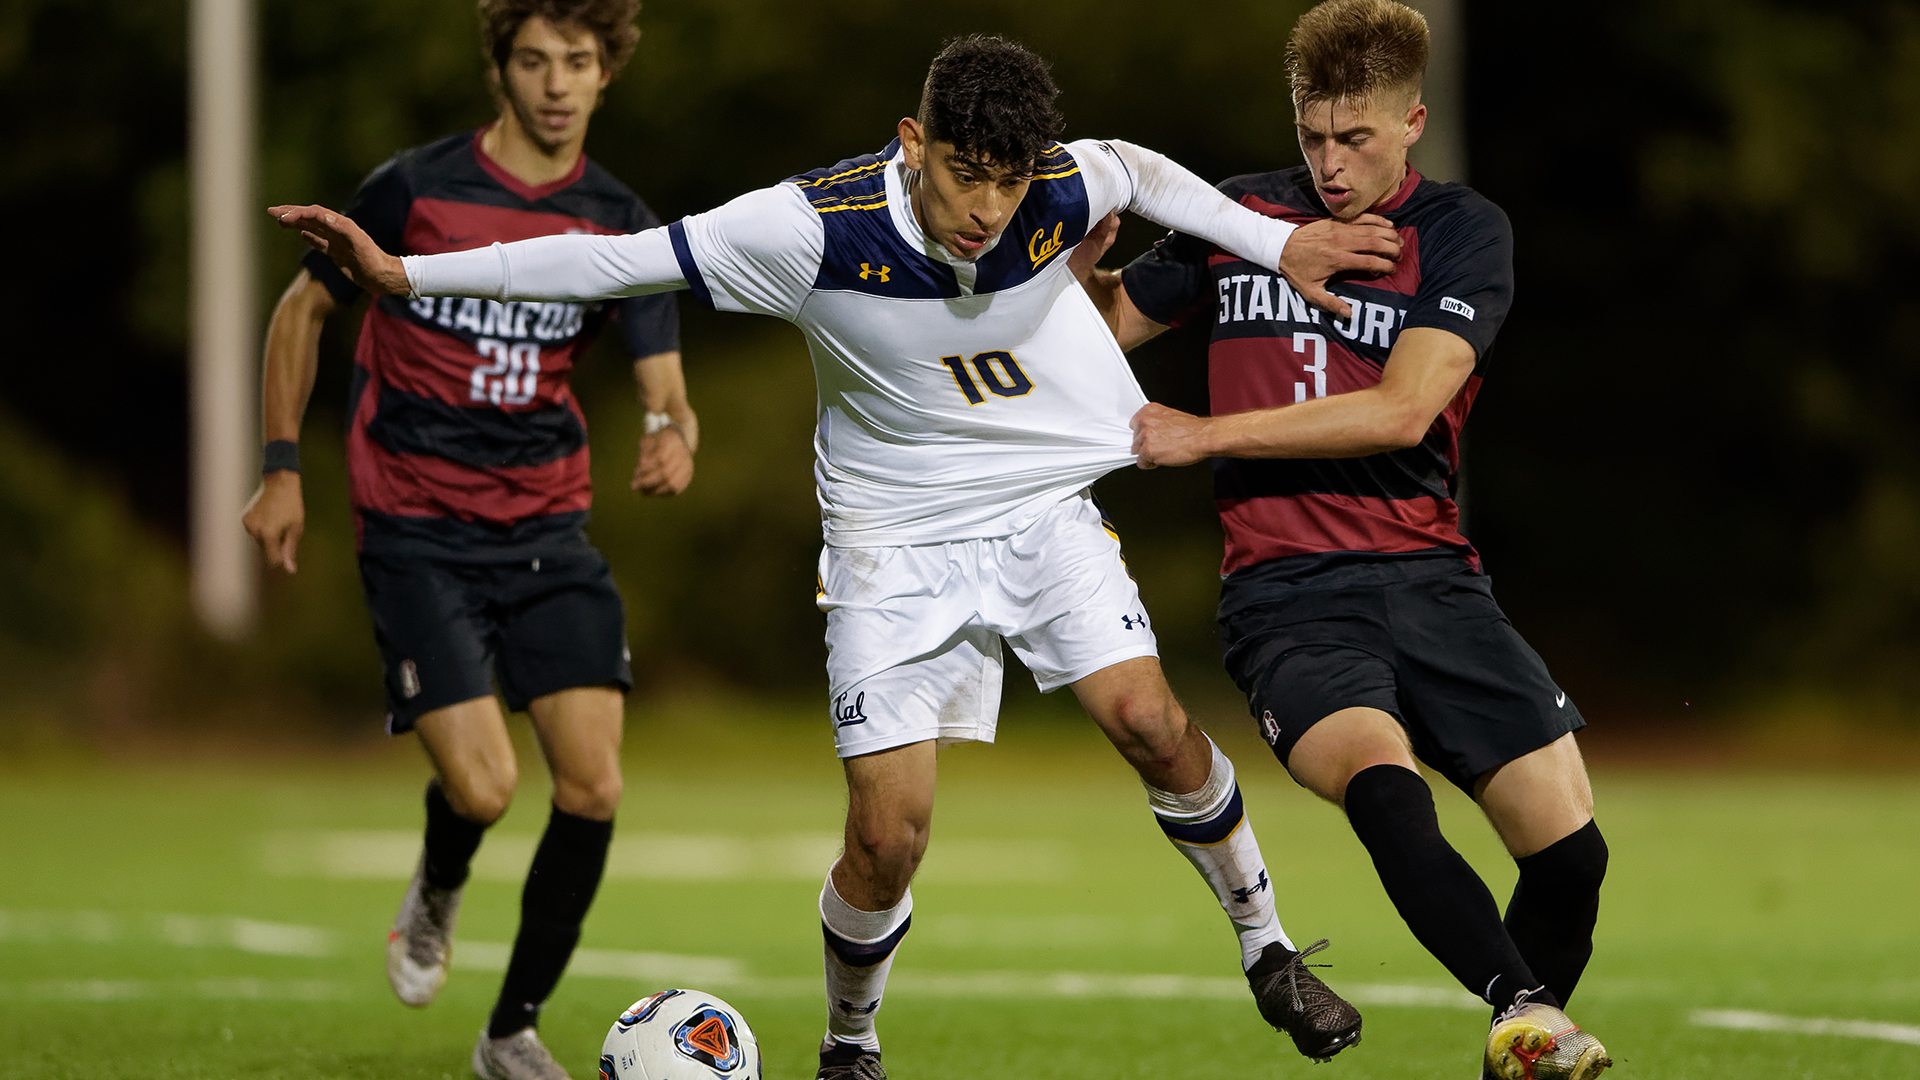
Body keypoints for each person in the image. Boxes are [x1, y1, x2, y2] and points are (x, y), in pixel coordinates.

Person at [272, 33, 1405, 1079]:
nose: (988, 208)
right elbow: (611, 263)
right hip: (890, 545)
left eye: (1010, 181)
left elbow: (1143, 171)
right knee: (886, 835)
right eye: (965, 173)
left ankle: (1266, 952)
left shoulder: (1053, 184)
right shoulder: (807, 229)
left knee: (1152, 724)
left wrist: (1271, 240)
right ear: (913, 144)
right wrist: (406, 278)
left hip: (1036, 511)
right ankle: (848, 1044)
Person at [1069, 2, 1612, 1078]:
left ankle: (1524, 1034)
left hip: (1431, 576)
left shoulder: (1461, 233)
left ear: (1412, 122)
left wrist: (1208, 433)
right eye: (1312, 136)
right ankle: (1523, 1016)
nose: (1327, 164)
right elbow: (1094, 339)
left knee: (1572, 857)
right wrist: (1079, 276)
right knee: (1384, 785)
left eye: (1354, 138)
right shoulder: (1244, 214)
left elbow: (1406, 409)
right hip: (1289, 593)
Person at [240, 3, 695, 1078]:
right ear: (500, 70)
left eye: (576, 63)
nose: (555, 83)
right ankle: (439, 887)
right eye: (533, 59)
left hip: (548, 527)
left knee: (592, 785)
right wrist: (279, 470)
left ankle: (510, 1033)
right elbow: (302, 313)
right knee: (487, 790)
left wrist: (672, 433)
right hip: (416, 526)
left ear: (604, 75)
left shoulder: (619, 220)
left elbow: (663, 376)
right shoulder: (412, 190)